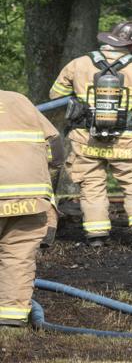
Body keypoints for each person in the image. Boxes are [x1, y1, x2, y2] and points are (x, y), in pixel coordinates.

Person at [48, 19, 132, 248]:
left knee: (91, 185)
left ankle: (96, 237)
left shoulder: (79, 63)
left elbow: (56, 95)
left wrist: (79, 94)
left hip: (85, 137)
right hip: (125, 138)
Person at [0, 90, 60, 327]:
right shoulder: (20, 100)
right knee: (18, 255)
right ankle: (10, 317)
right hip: (30, 197)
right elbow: (55, 146)